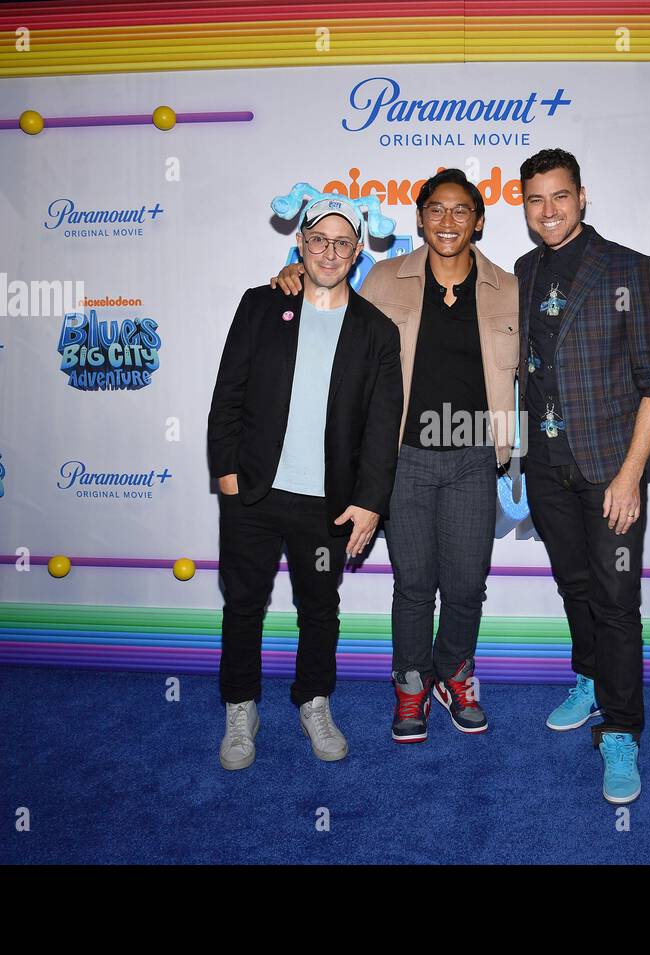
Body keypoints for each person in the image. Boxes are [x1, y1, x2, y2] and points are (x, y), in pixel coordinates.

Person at [270, 169, 519, 743]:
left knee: (465, 582)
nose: (448, 221)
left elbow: (527, 376)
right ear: (420, 219)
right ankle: (410, 684)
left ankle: (454, 673)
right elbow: (329, 308)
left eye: (461, 211)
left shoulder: (509, 287)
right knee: (413, 582)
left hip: (476, 454)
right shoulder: (381, 279)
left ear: (478, 220)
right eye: (436, 209)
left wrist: (516, 450)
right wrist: (292, 274)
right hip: (404, 455)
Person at [208, 195, 402, 769]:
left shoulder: (377, 331)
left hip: (326, 506)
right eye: (318, 240)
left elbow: (381, 427)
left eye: (343, 243)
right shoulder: (261, 305)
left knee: (320, 607)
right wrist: (227, 479)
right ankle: (240, 706)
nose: (329, 252)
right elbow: (228, 396)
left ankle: (314, 701)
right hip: (255, 495)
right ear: (301, 243)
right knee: (243, 605)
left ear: (357, 251)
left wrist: (369, 503)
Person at [514, 148, 650, 804]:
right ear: (523, 206)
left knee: (615, 602)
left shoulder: (628, 268)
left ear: (583, 197)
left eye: (559, 196)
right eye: (534, 199)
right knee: (574, 583)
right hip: (548, 467)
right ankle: (588, 678)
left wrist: (630, 475)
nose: (547, 210)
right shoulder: (522, 271)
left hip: (612, 469)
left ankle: (622, 729)